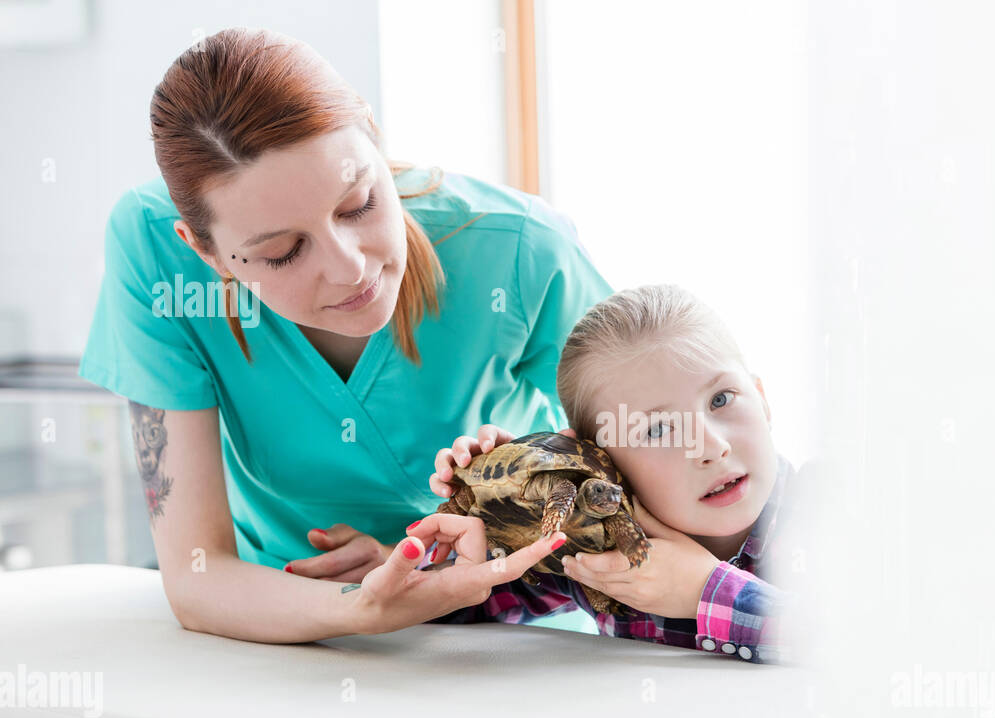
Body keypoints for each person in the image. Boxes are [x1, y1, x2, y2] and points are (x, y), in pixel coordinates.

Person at [77, 27, 610, 642]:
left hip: (511, 615)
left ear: (375, 139)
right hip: (276, 615)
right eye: (282, 252)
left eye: (358, 204)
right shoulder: (151, 249)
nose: (350, 266)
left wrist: (423, 562)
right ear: (206, 252)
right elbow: (198, 579)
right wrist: (362, 605)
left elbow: (654, 495)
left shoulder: (520, 250)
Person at [424, 285, 804, 663]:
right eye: (657, 429)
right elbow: (444, 609)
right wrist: (496, 506)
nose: (711, 446)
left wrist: (703, 590)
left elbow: (851, 650)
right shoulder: (597, 552)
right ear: (604, 464)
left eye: (720, 399)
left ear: (762, 399)